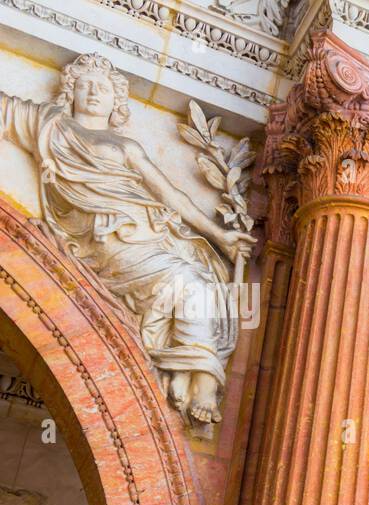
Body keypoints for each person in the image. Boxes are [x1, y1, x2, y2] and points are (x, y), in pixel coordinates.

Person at [0, 54, 252, 424]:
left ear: (117, 101)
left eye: (102, 87)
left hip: (142, 230)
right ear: (70, 91)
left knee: (197, 285)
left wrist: (221, 236)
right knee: (185, 284)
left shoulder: (127, 148)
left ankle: (199, 376)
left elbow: (172, 196)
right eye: (85, 84)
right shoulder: (48, 125)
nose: (93, 92)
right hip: (98, 237)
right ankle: (193, 372)